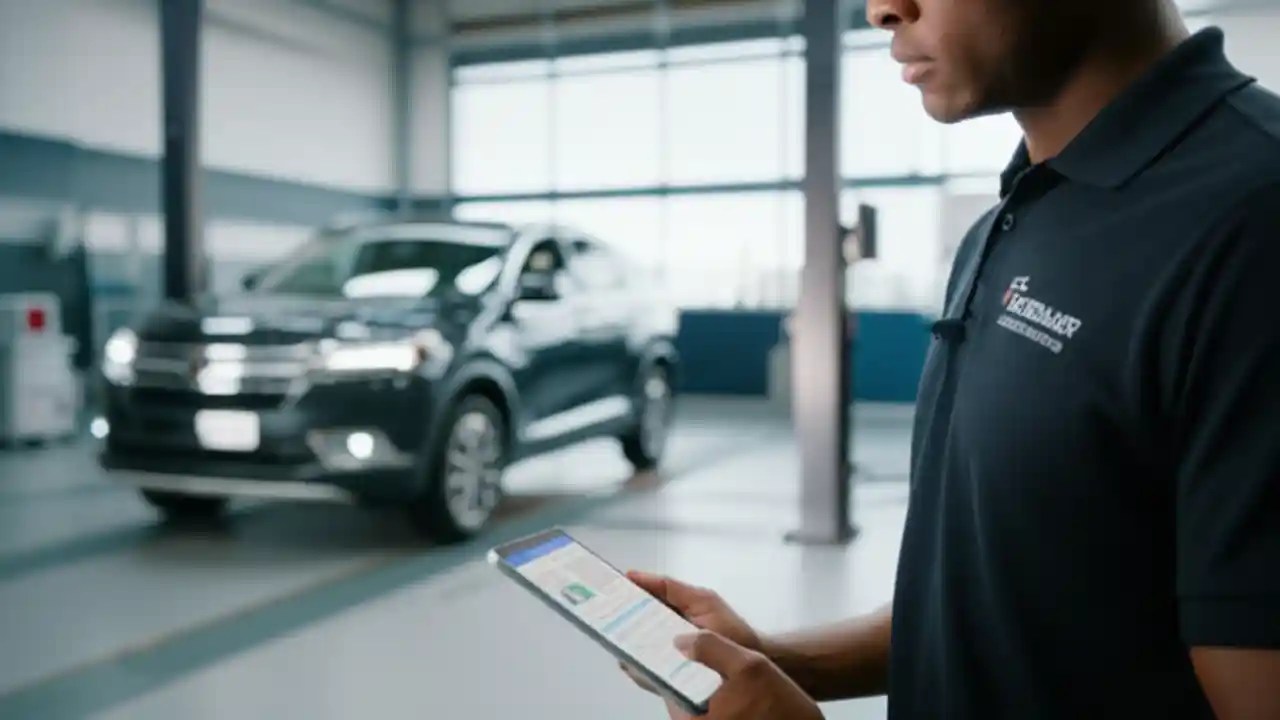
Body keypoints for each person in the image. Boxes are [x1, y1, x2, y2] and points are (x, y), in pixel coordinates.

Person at [626, 0, 1280, 718]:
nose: (881, 9)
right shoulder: (1015, 216)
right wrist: (784, 662)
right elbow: (1011, 596)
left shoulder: (1254, 224)